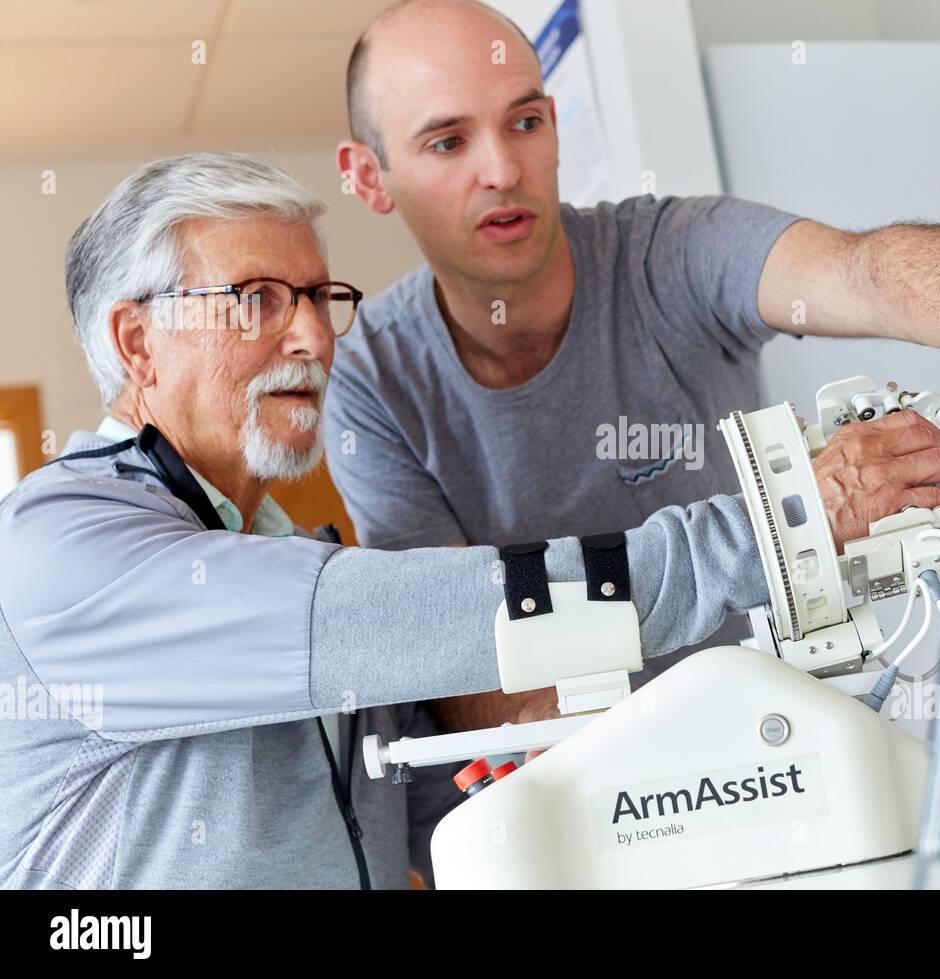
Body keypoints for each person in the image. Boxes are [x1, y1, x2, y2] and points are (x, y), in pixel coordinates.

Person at [0, 152, 868, 889]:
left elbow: (454, 808)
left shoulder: (279, 555)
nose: (311, 336)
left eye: (317, 296)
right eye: (259, 299)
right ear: (137, 340)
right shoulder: (61, 543)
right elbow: (401, 616)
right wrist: (771, 530)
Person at [326, 0, 940, 779]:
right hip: (590, 796)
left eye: (525, 123)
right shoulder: (370, 385)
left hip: (784, 750)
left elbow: (861, 273)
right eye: (448, 141)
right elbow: (457, 648)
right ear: (370, 177)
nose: (501, 170)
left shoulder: (668, 254)